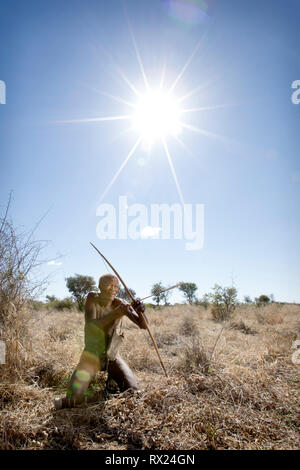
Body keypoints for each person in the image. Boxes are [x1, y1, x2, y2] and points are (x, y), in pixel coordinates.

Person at [54, 274, 147, 409]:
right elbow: (91, 326)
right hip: (91, 356)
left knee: (134, 393)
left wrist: (141, 311)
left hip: (112, 357)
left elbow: (143, 325)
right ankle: (99, 394)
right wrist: (115, 314)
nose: (112, 289)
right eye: (108, 285)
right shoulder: (92, 298)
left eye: (116, 286)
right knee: (73, 399)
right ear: (100, 287)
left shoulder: (120, 304)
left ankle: (111, 384)